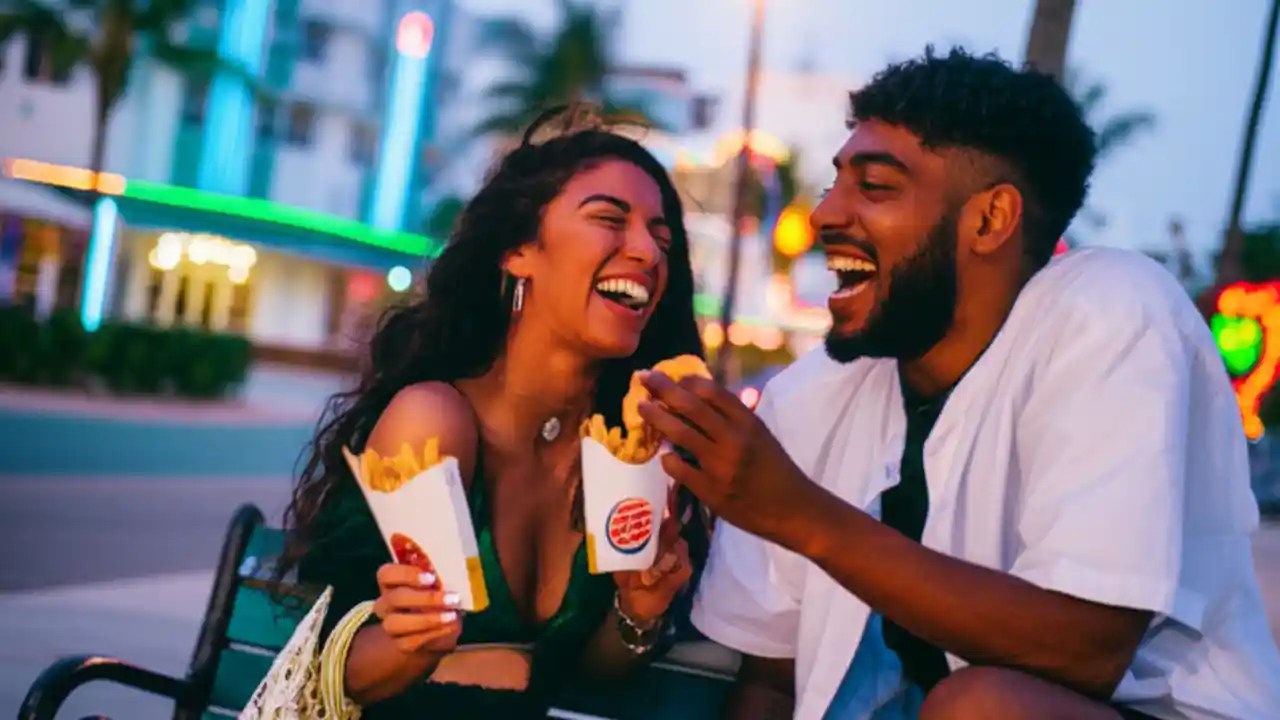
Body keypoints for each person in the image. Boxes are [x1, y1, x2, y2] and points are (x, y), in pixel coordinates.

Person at [637, 48, 1280, 719]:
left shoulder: (1111, 310)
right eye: (836, 184)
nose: (827, 215)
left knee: (981, 707)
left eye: (876, 187)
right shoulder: (811, 395)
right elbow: (772, 684)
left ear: (990, 219)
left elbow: (1089, 649)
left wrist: (796, 512)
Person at [276, 107, 706, 718]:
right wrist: (411, 642)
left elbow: (591, 669)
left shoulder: (628, 451)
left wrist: (638, 610)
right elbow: (329, 670)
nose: (647, 252)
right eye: (610, 219)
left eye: (662, 239)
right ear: (518, 252)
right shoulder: (436, 426)